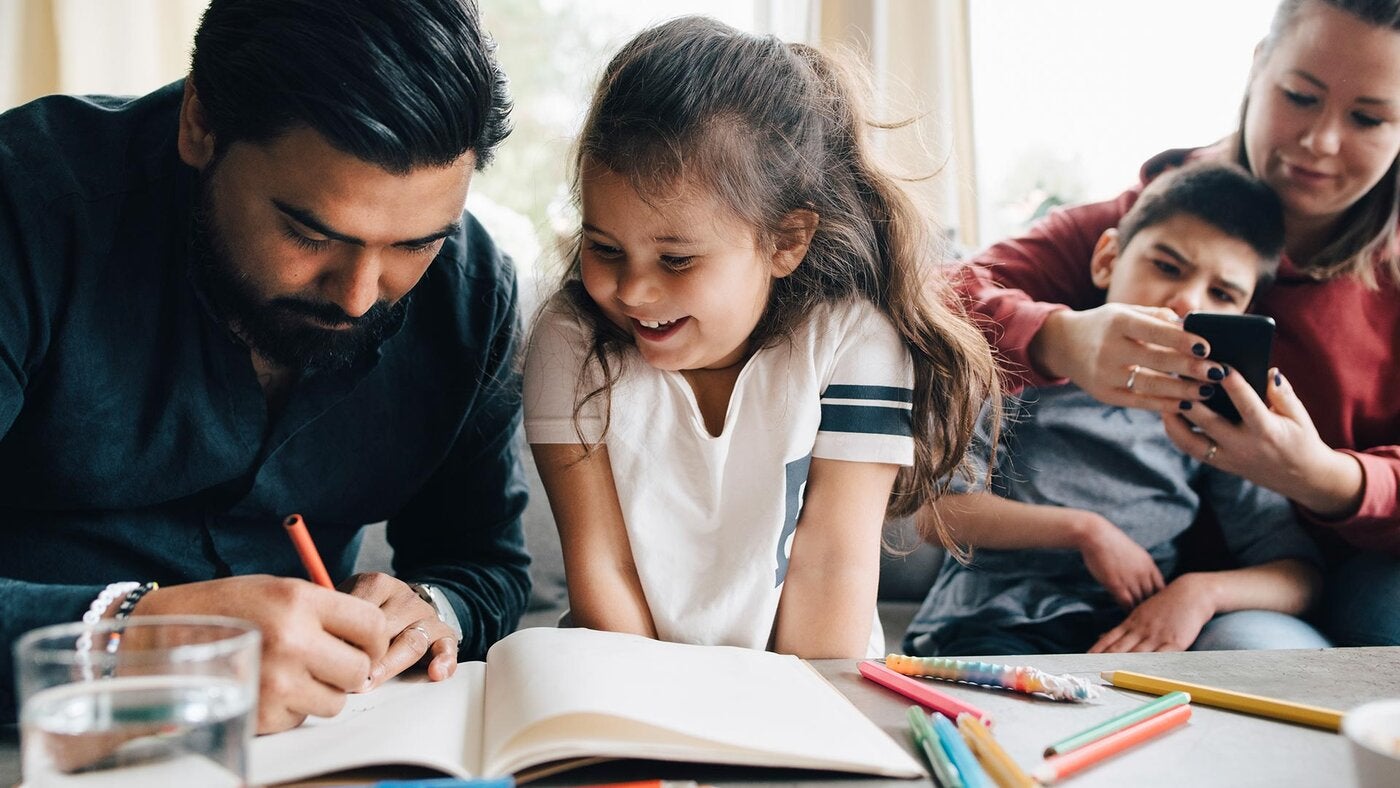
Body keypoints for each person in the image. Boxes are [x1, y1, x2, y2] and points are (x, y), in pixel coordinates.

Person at [0, 0, 531, 732]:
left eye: (415, 245)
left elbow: (484, 564)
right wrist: (129, 641)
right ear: (201, 123)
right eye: (310, 233)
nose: (357, 297)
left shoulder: (472, 295)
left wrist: (429, 608)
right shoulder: (26, 210)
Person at [522, 16, 999, 659]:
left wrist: (785, 706)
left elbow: (831, 562)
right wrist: (653, 703)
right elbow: (602, 566)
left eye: (676, 260)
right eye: (605, 248)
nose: (632, 291)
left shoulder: (854, 340)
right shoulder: (571, 337)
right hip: (626, 668)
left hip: (813, 673)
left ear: (786, 241)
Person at [956, 0, 1400, 647]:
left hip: (1326, 570)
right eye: (1300, 96)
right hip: (1160, 603)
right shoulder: (1164, 211)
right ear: (1258, 68)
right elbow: (936, 291)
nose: (1320, 141)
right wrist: (1057, 338)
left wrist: (1324, 477)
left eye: (1368, 117)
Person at [905, 163, 1329, 657]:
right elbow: (938, 514)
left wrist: (1201, 592)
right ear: (1108, 259)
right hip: (995, 621)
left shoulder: (1213, 416)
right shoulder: (1024, 367)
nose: (1186, 302)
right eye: (1167, 267)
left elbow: (1298, 574)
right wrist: (1087, 532)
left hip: (1131, 635)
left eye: (1222, 294)